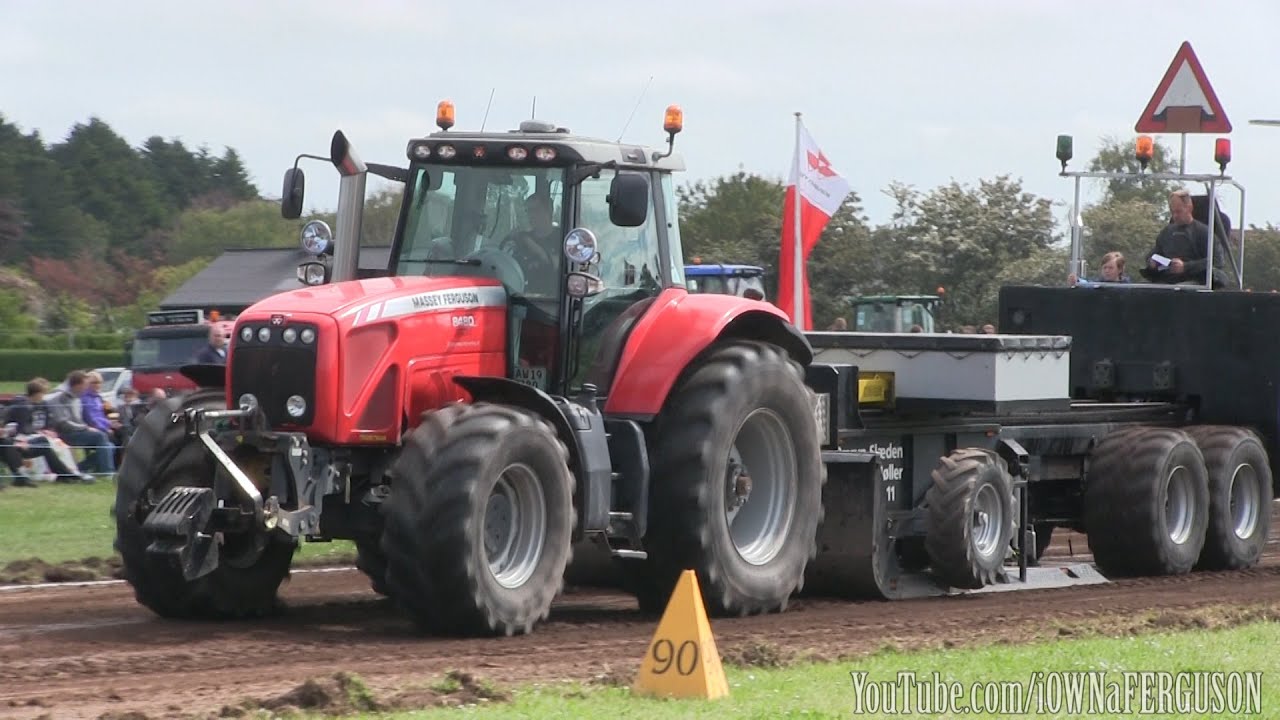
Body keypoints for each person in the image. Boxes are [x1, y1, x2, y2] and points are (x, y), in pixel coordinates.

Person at [1, 378, 94, 486]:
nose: (44, 396)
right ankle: (65, 475)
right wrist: (17, 439)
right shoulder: (22, 406)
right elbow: (22, 428)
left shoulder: (40, 404)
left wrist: (46, 430)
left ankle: (65, 475)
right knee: (45, 442)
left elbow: (47, 422)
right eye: (43, 393)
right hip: (16, 441)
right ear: (37, 393)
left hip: (15, 442)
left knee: (45, 444)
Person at [1143, 189, 1228, 287]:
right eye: (1172, 212)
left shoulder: (1204, 232)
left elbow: (1217, 261)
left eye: (1178, 211)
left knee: (1178, 289)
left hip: (1195, 280)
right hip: (1166, 279)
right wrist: (1152, 262)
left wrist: (1185, 267)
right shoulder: (1166, 232)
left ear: (1189, 208)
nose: (1175, 216)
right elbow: (1154, 253)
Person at [46, 369, 115, 477]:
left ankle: (80, 468)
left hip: (78, 431)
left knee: (110, 446)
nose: (87, 387)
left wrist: (85, 427)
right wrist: (85, 428)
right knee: (100, 436)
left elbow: (79, 420)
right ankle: (107, 473)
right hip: (66, 433)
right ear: (77, 385)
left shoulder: (77, 399)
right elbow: (62, 423)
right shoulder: (60, 399)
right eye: (85, 384)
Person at [501, 193, 559, 294]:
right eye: (528, 211)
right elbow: (504, 265)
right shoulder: (519, 240)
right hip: (522, 297)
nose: (531, 215)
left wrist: (529, 242)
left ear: (549, 210)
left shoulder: (562, 237)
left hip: (553, 300)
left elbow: (554, 265)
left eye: (535, 210)